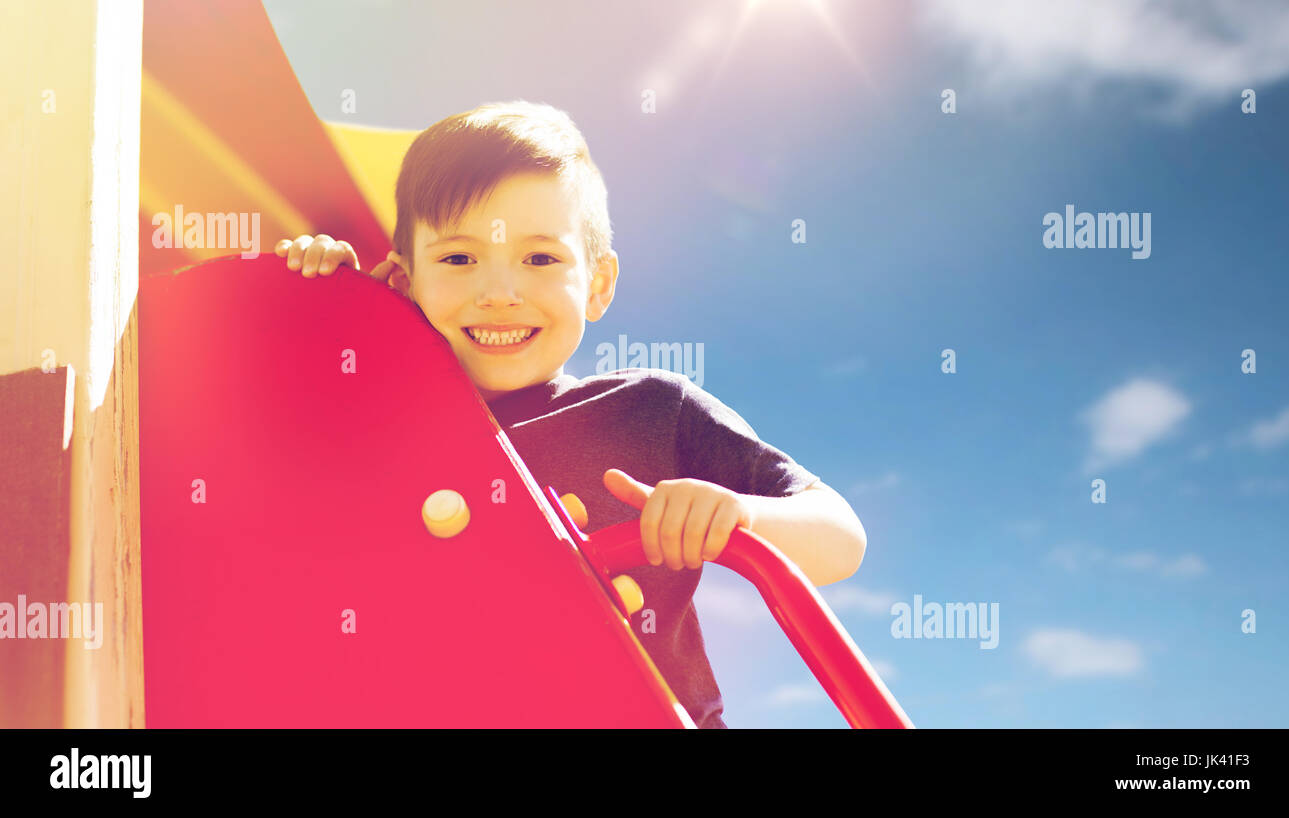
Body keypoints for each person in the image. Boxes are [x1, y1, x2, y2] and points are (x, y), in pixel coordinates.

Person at [274, 100, 867, 728]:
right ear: (403, 281)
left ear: (599, 284)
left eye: (540, 259)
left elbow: (840, 538)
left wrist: (739, 515)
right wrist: (316, 307)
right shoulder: (377, 429)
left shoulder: (649, 410)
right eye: (457, 259)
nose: (499, 293)